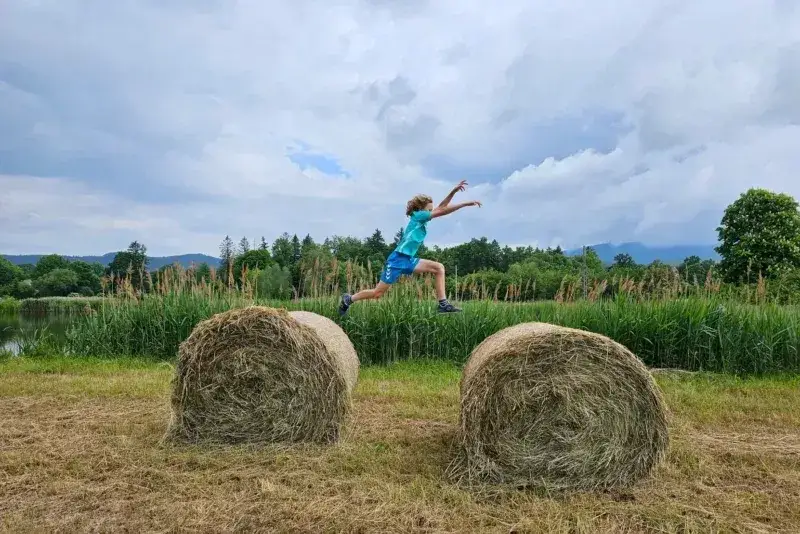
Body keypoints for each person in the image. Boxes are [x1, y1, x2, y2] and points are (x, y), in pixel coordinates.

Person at [338, 180, 481, 316]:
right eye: (430, 208)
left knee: (439, 268)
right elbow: (442, 211)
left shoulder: (422, 216)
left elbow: (441, 207)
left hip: (408, 259)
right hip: (397, 260)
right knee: (377, 293)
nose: (432, 210)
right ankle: (348, 299)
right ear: (422, 207)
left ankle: (443, 304)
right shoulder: (419, 216)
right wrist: (464, 204)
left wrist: (453, 191)